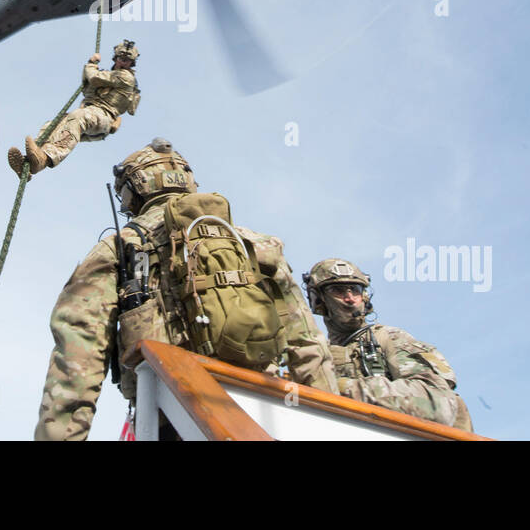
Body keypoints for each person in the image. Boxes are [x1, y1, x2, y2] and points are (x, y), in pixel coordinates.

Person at [35, 139, 337, 440]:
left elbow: (77, 358)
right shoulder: (257, 243)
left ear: (135, 191)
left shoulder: (117, 248)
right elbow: (308, 344)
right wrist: (331, 427)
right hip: (264, 414)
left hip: (174, 417)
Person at [303, 258, 473, 431]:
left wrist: (340, 387)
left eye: (355, 290)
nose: (350, 298)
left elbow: (438, 403)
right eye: (338, 290)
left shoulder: (388, 337)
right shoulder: (319, 353)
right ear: (319, 300)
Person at [8, 40, 140, 176]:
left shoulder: (126, 77)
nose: (123, 62)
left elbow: (93, 78)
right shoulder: (108, 76)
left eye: (127, 60)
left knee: (79, 117)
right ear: (115, 58)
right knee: (54, 124)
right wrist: (91, 65)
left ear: (131, 63)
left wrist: (91, 64)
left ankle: (45, 158)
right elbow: (87, 85)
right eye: (121, 58)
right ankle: (31, 161)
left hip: (103, 117)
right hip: (91, 113)